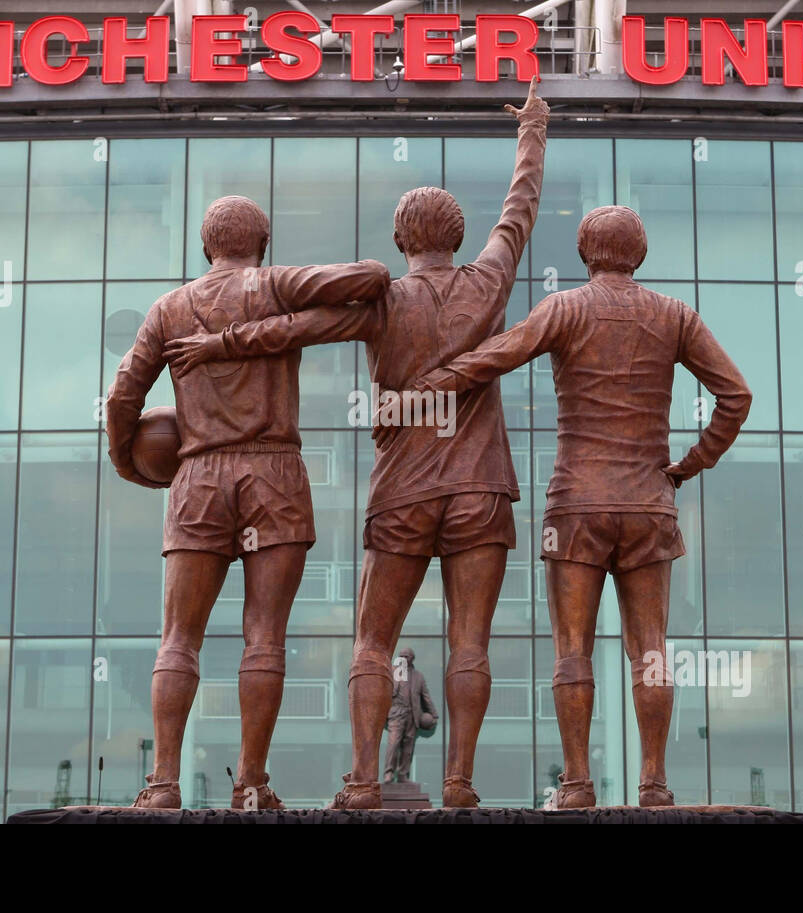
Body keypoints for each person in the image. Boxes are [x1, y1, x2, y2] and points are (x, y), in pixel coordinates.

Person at [164, 79, 550, 808]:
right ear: (458, 238)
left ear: (402, 242)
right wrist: (533, 129)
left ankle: (365, 779)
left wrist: (219, 342)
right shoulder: (491, 279)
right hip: (480, 487)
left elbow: (296, 328)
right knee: (471, 641)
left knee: (374, 641)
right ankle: (460, 781)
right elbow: (520, 209)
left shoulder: (382, 301)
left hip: (403, 489)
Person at [408, 205, 751, 808]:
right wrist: (694, 461)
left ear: (586, 253)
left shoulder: (566, 308)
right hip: (649, 501)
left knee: (573, 649)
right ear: (638, 255)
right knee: (650, 646)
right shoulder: (674, 316)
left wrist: (438, 379)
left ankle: (576, 782)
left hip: (577, 504)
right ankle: (654, 782)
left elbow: (501, 354)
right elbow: (736, 395)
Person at [105, 195, 389, 810]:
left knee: (178, 638)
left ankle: (162, 785)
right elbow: (372, 277)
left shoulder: (170, 307)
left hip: (199, 476)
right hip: (273, 473)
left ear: (207, 246)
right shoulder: (276, 284)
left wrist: (129, 463)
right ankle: (251, 784)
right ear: (262, 242)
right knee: (265, 637)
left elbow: (121, 396)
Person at [383, 647, 438, 784]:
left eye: (406, 656)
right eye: (401, 656)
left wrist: (434, 714)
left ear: (412, 659)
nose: (403, 658)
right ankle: (389, 773)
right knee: (393, 743)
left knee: (408, 748)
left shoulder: (418, 676)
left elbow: (426, 697)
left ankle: (402, 775)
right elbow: (382, 694)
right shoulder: (391, 673)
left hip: (412, 715)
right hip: (396, 713)